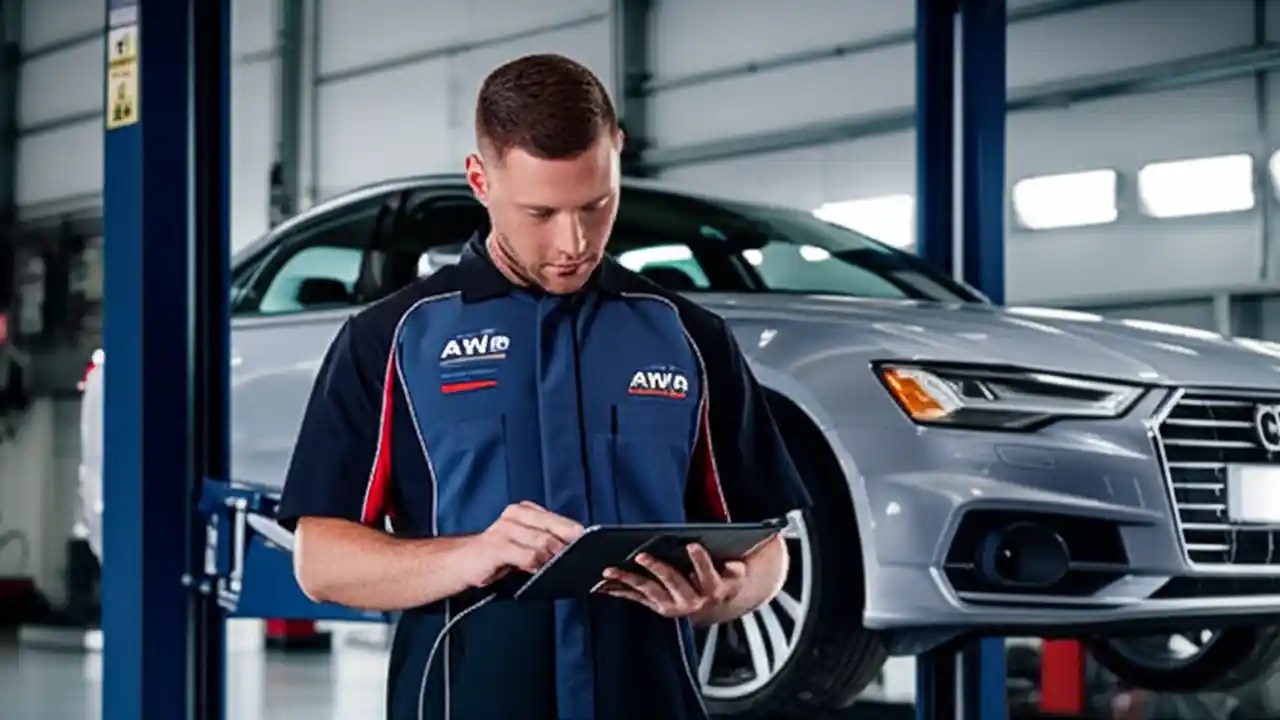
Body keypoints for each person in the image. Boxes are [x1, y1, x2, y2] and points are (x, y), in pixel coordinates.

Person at [275, 52, 811, 720]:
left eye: (597, 205)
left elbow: (768, 550)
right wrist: (472, 555)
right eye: (541, 213)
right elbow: (322, 564)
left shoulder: (690, 338)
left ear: (615, 153)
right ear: (480, 179)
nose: (575, 241)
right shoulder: (391, 340)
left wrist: (723, 595)